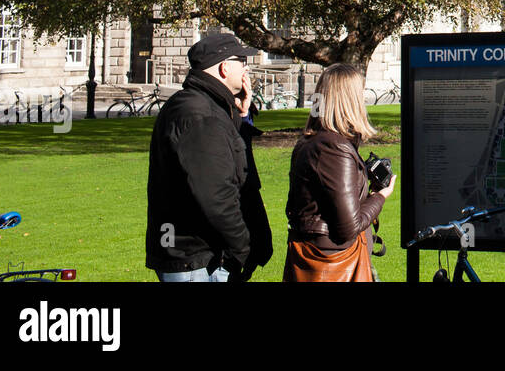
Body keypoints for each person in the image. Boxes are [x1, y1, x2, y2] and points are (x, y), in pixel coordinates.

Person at [145, 32, 273, 282]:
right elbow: (216, 195)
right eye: (242, 62)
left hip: (198, 255)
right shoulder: (199, 114)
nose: (246, 68)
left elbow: (233, 162)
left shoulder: (205, 107)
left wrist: (240, 115)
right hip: (197, 259)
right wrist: (243, 245)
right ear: (225, 67)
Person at [285, 63, 395, 281]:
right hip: (334, 262)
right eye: (359, 94)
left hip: (314, 255)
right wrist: (380, 197)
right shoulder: (334, 148)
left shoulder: (311, 142)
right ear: (349, 99)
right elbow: (348, 226)